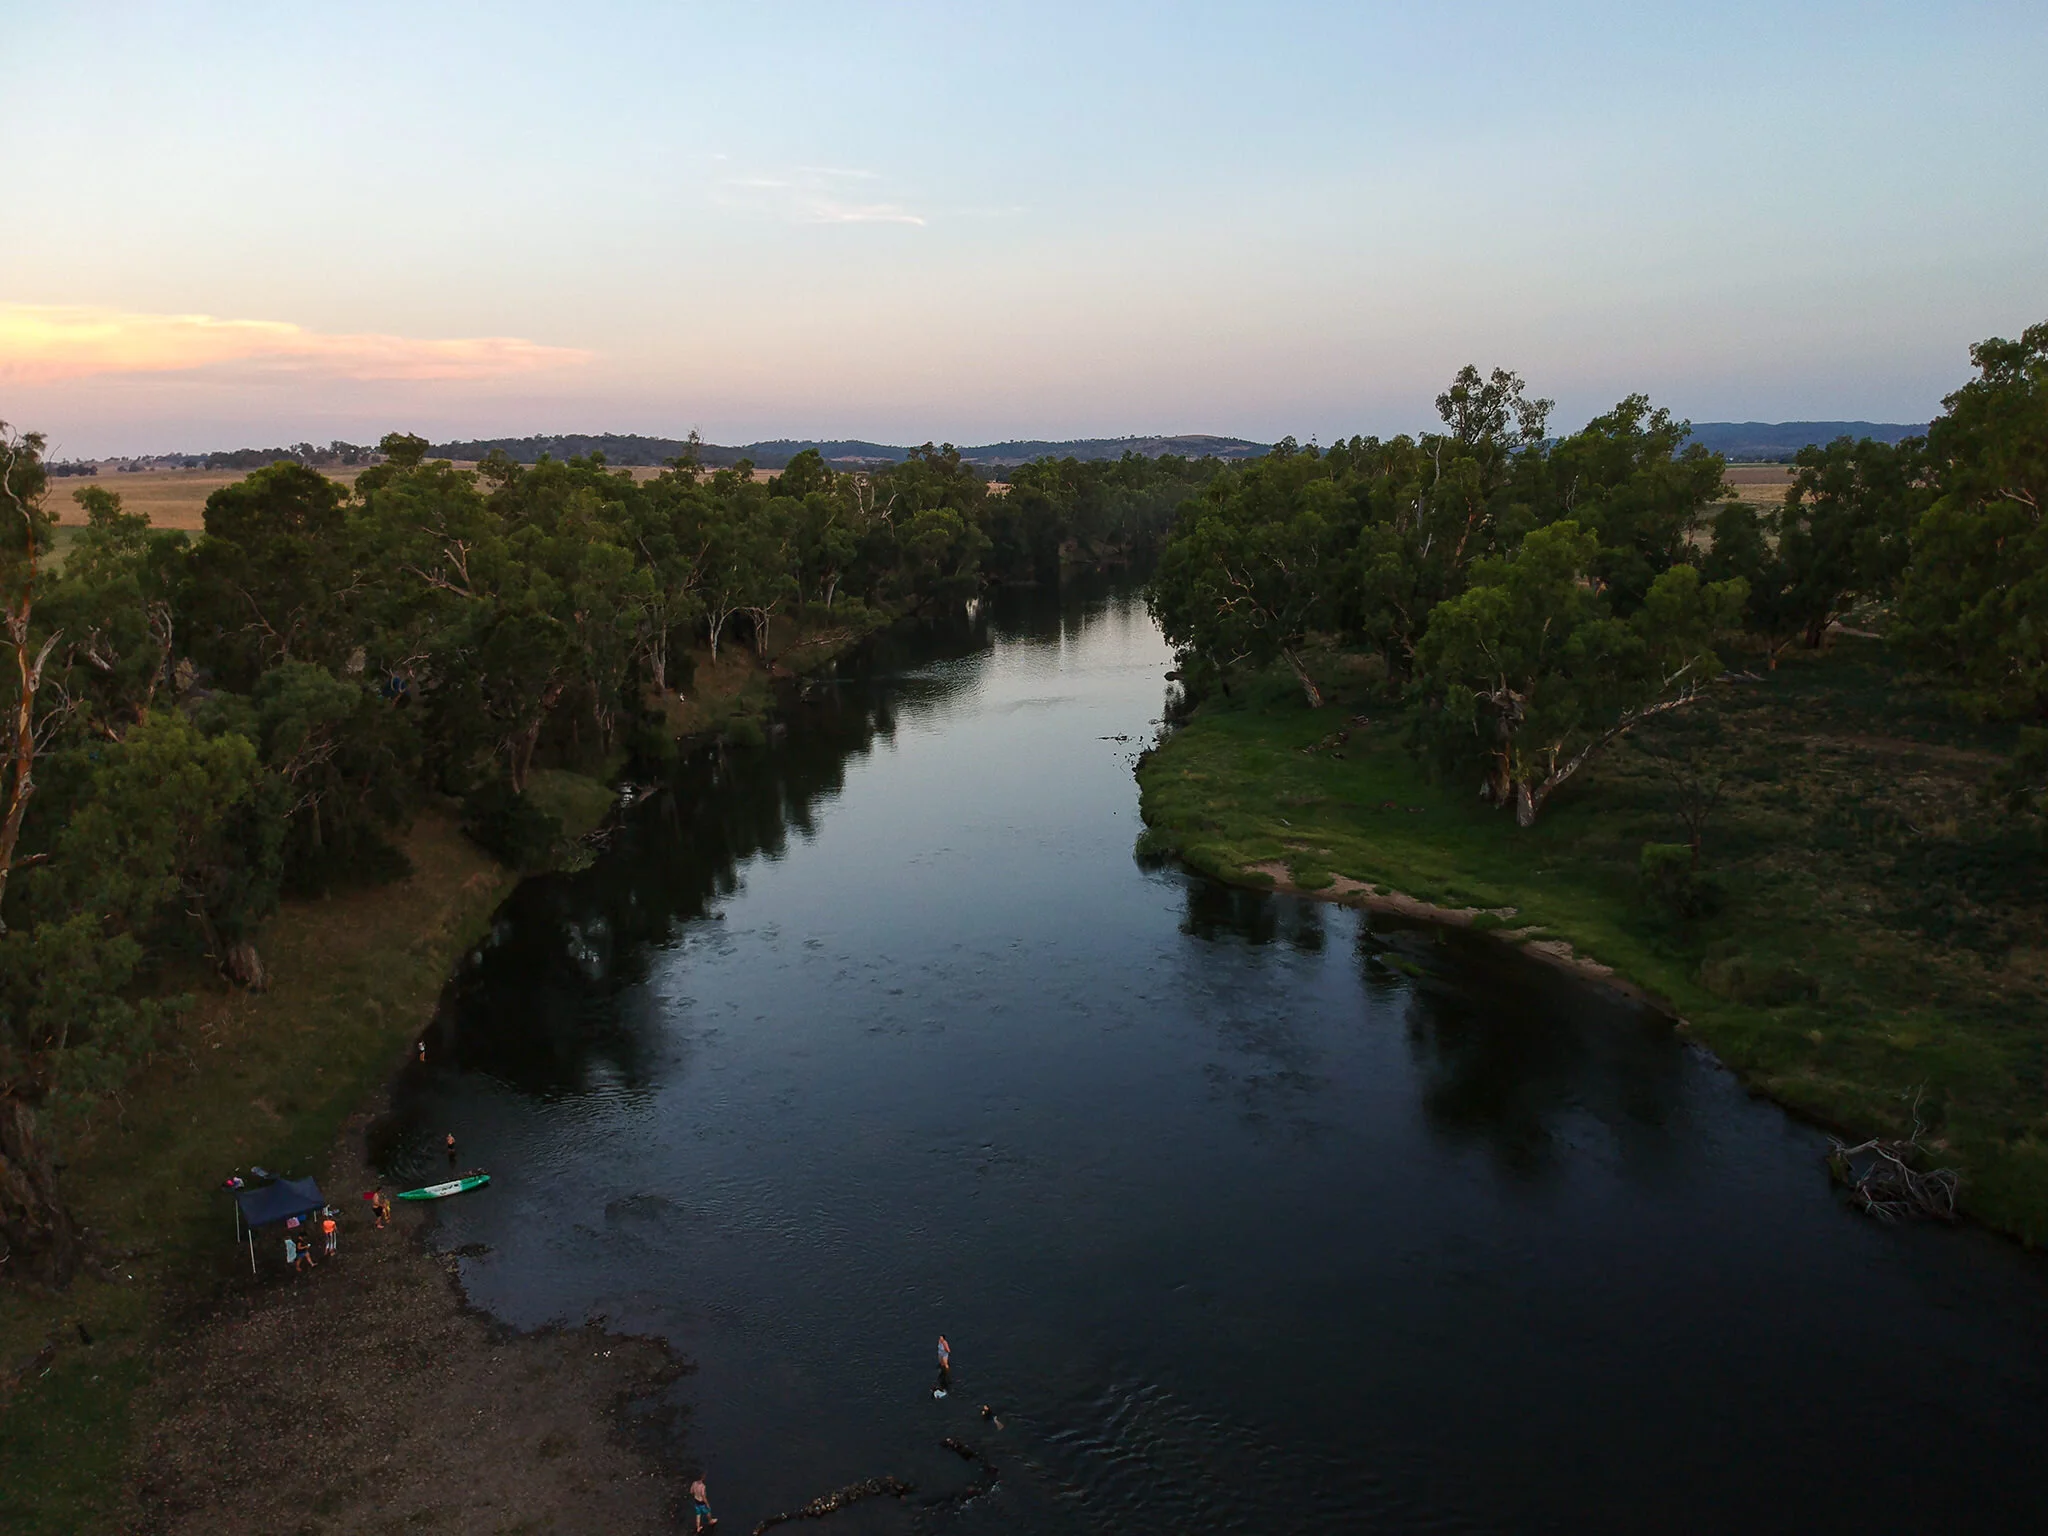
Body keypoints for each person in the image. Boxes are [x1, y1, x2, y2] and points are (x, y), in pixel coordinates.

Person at [934, 1334, 951, 1398]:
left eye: (941, 1338)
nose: (940, 1338)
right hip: (940, 1353)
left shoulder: (944, 1343)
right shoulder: (939, 1341)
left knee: (945, 1364)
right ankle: (942, 1370)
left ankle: (947, 1372)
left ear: (943, 1338)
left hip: (944, 1354)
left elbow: (948, 1350)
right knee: (941, 1364)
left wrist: (945, 1352)